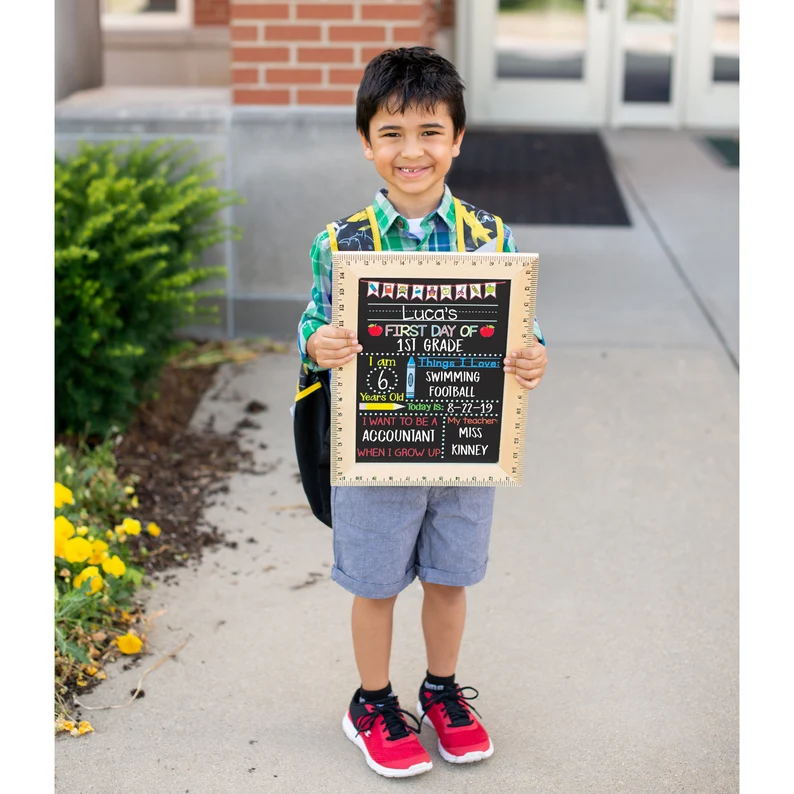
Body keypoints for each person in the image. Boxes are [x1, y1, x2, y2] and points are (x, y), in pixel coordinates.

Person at [297, 47, 548, 779]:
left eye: (431, 132)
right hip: (376, 448)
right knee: (374, 584)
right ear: (367, 142)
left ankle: (440, 691)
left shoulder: (490, 237)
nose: (413, 151)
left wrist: (534, 352)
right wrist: (321, 340)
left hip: (465, 446)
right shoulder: (341, 244)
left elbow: (521, 326)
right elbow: (311, 324)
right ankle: (371, 701)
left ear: (458, 138)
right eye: (392, 133)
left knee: (450, 576)